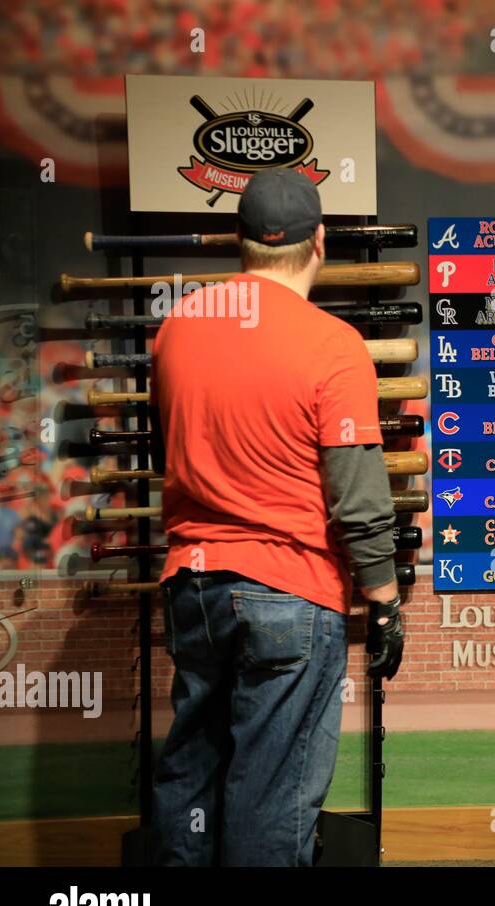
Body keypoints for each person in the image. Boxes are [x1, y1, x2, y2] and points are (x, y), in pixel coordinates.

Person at [149, 169, 406, 866]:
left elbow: (167, 448)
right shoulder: (333, 344)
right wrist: (384, 600)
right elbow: (357, 492)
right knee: (271, 794)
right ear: (319, 243)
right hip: (289, 589)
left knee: (191, 778)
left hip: (192, 586)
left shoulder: (175, 331)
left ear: (240, 243)